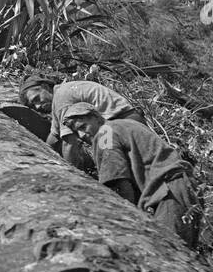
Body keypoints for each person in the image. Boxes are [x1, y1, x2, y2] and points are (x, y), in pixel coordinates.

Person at [61, 102, 201, 247]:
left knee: (168, 250)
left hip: (169, 190)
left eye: (83, 127)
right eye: (77, 132)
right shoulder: (126, 124)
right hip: (183, 186)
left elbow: (116, 182)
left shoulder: (105, 133)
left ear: (96, 117)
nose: (82, 135)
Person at [19, 75, 146, 173]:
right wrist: (41, 154)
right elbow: (54, 136)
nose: (37, 106)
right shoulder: (59, 99)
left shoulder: (62, 97)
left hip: (123, 124)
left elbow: (69, 142)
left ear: (45, 87)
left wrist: (70, 175)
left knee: (116, 174)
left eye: (36, 99)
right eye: (33, 106)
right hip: (122, 124)